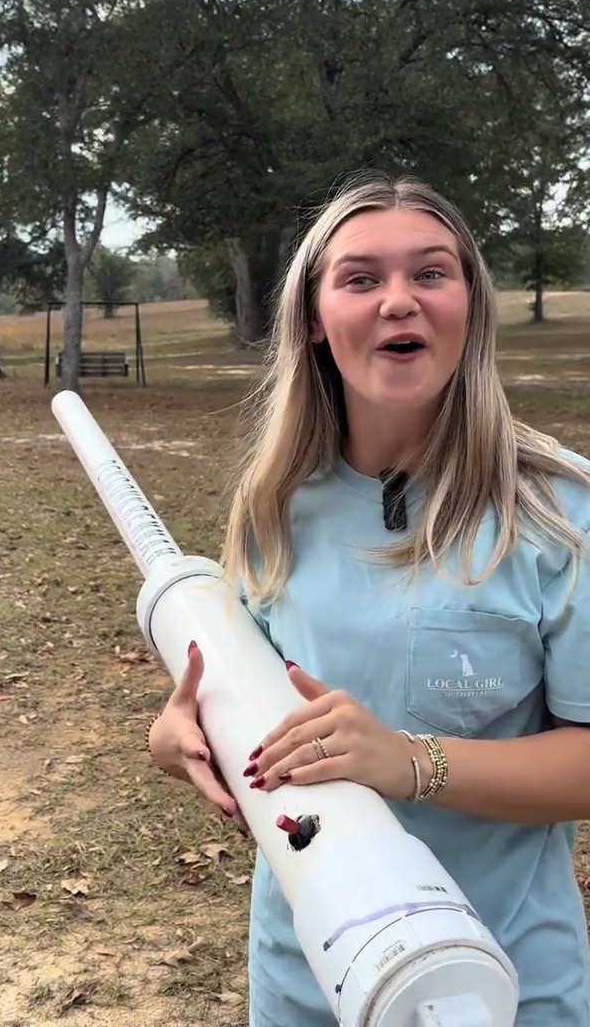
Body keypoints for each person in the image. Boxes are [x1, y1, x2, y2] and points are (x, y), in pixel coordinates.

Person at [147, 173, 590, 1027]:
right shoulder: (274, 501)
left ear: (471, 305)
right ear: (315, 318)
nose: (400, 302)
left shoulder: (561, 515)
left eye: (431, 273)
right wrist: (187, 729)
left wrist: (411, 762)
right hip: (303, 981)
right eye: (360, 279)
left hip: (494, 986)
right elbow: (255, 690)